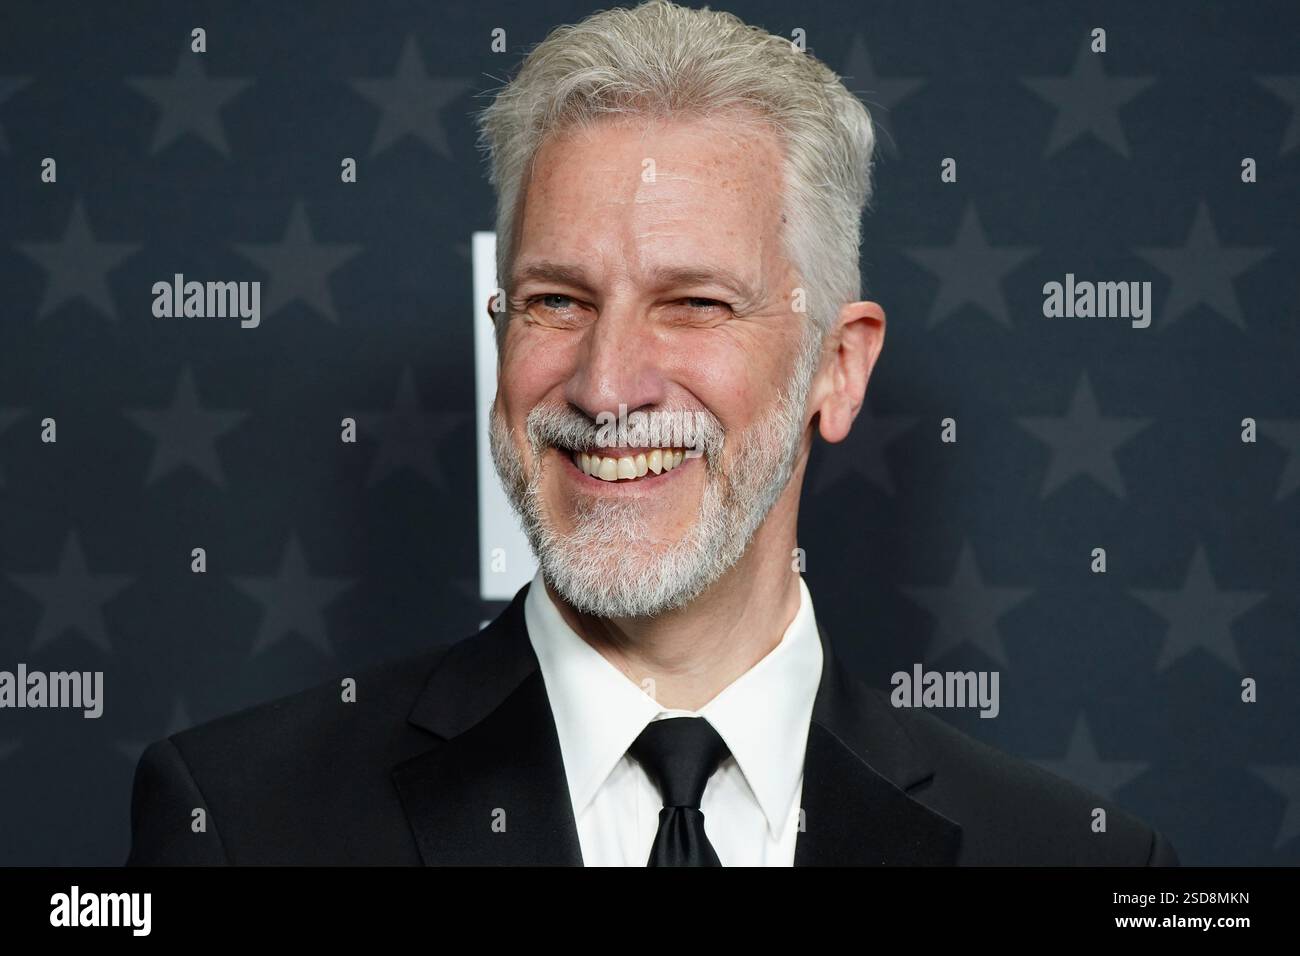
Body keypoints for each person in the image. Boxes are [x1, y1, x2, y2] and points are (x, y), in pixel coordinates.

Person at [127, 0, 1177, 866]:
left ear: (837, 365)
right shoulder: (240, 822)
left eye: (695, 302)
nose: (606, 383)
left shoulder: (1076, 859)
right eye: (556, 301)